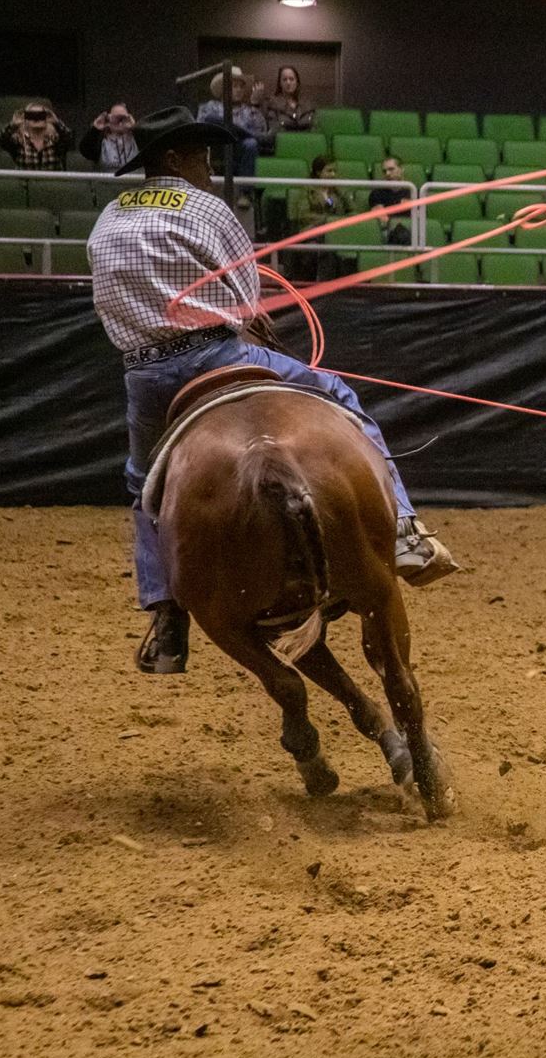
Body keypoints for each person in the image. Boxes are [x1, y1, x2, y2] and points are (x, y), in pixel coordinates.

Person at [86, 105, 457, 675]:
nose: (208, 169)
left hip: (145, 374)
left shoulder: (107, 219)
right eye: (202, 157)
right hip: (217, 350)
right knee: (340, 395)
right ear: (174, 159)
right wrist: (242, 318)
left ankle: (165, 613)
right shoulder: (207, 209)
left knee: (143, 487)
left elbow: (107, 297)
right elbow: (244, 294)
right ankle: (405, 530)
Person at [287, 153, 348, 279]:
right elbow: (303, 215)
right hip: (312, 232)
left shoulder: (339, 191)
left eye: (335, 171)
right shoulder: (306, 191)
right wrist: (327, 220)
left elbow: (353, 211)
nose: (333, 175)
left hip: (337, 232)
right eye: (329, 171)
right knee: (326, 247)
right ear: (318, 172)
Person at [196, 71, 264, 177]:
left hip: (240, 150)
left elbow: (261, 134)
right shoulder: (210, 106)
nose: (239, 90)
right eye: (235, 86)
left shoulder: (250, 111)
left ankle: (244, 192)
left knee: (251, 143)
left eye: (241, 87)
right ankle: (236, 132)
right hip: (216, 146)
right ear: (224, 89)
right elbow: (200, 128)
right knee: (212, 119)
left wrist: (255, 105)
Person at [0, 101, 74, 171]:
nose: (36, 119)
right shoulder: (19, 140)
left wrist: (57, 122)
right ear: (26, 118)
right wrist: (13, 125)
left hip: (52, 184)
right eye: (31, 115)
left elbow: (69, 138)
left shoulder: (54, 140)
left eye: (40, 115)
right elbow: (2, 140)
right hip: (26, 184)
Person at [256, 65, 315, 138]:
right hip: (280, 143)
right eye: (284, 79)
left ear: (297, 82)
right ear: (280, 83)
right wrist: (256, 102)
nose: (288, 83)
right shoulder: (271, 103)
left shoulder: (307, 104)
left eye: (291, 79)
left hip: (305, 142)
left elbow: (314, 129)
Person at [78, 103, 139, 173]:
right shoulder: (100, 141)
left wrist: (136, 128)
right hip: (106, 182)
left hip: (134, 183)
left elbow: (153, 149)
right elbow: (85, 151)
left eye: (123, 118)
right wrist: (95, 130)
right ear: (108, 119)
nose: (119, 121)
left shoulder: (138, 139)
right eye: (115, 118)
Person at [369, 155, 414, 246]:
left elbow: (419, 217)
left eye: (391, 169)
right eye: (384, 171)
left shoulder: (414, 191)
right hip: (389, 232)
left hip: (412, 231)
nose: (388, 173)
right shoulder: (377, 193)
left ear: (401, 169)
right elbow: (382, 219)